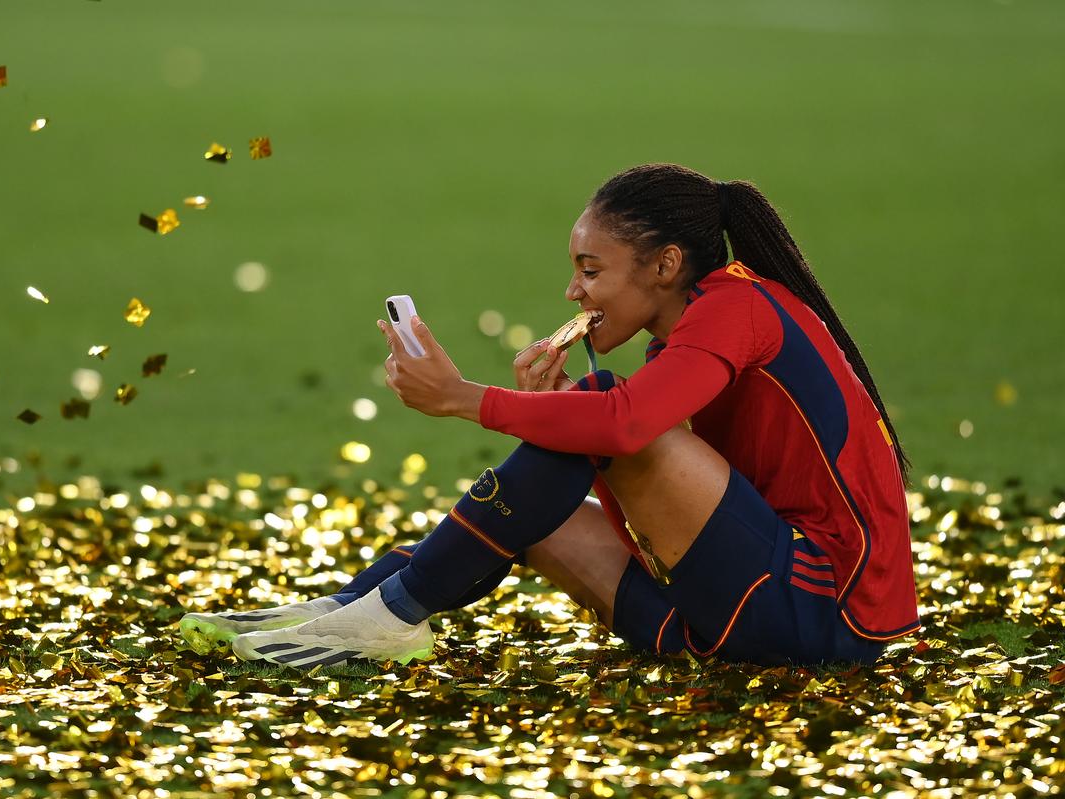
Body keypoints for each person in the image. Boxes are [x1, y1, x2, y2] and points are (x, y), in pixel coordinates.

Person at [179, 163, 920, 669]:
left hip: (822, 616)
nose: (573, 292)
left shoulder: (736, 307)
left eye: (591, 270)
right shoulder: (693, 327)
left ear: (664, 265)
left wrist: (467, 399)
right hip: (741, 618)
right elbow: (629, 443)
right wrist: (546, 413)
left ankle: (387, 612)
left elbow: (625, 426)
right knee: (545, 500)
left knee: (597, 412)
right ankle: (359, 603)